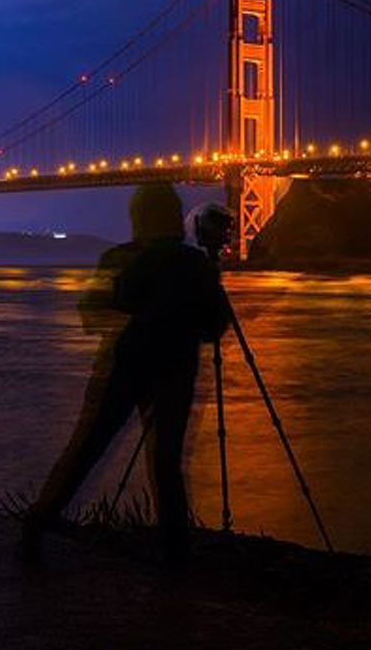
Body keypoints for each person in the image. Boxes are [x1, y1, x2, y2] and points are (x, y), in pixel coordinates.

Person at [22, 183, 227, 574]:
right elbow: (214, 326)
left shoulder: (122, 258)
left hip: (124, 366)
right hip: (177, 370)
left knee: (86, 450)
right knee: (167, 464)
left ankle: (36, 527)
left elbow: (101, 309)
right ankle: (176, 555)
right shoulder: (196, 264)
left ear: (138, 217)